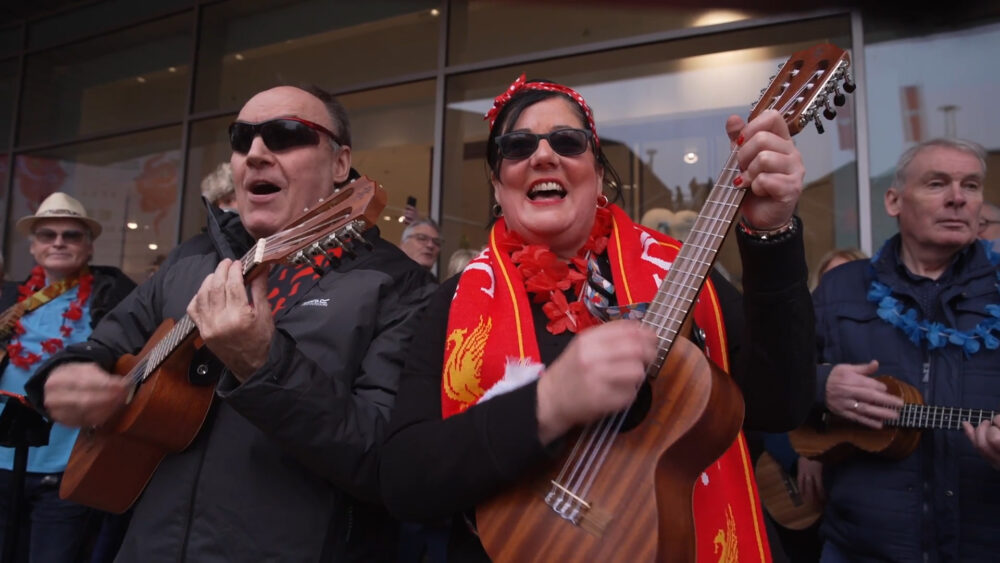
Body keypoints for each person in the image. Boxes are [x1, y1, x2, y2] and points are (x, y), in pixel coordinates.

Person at [380, 75, 816, 560]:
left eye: (568, 141)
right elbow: (404, 481)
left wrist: (773, 237)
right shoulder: (452, 302)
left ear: (600, 175)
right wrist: (546, 404)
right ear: (497, 187)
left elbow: (781, 406)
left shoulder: (687, 274)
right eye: (517, 146)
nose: (543, 156)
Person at [24, 85, 436, 562]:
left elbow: (385, 462)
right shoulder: (192, 258)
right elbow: (105, 343)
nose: (256, 153)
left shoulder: (397, 286)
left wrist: (265, 364)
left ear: (341, 164)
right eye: (242, 139)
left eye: (285, 135)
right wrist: (63, 376)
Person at [812, 138, 1000, 561]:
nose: (957, 198)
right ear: (894, 201)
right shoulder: (841, 287)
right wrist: (821, 386)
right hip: (859, 548)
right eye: (937, 184)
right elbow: (772, 380)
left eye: (970, 186)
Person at [0, 192, 136, 562]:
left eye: (71, 235)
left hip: (66, 468)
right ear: (33, 247)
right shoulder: (9, 298)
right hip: (3, 461)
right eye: (48, 234)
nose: (58, 242)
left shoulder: (114, 298)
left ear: (88, 248)